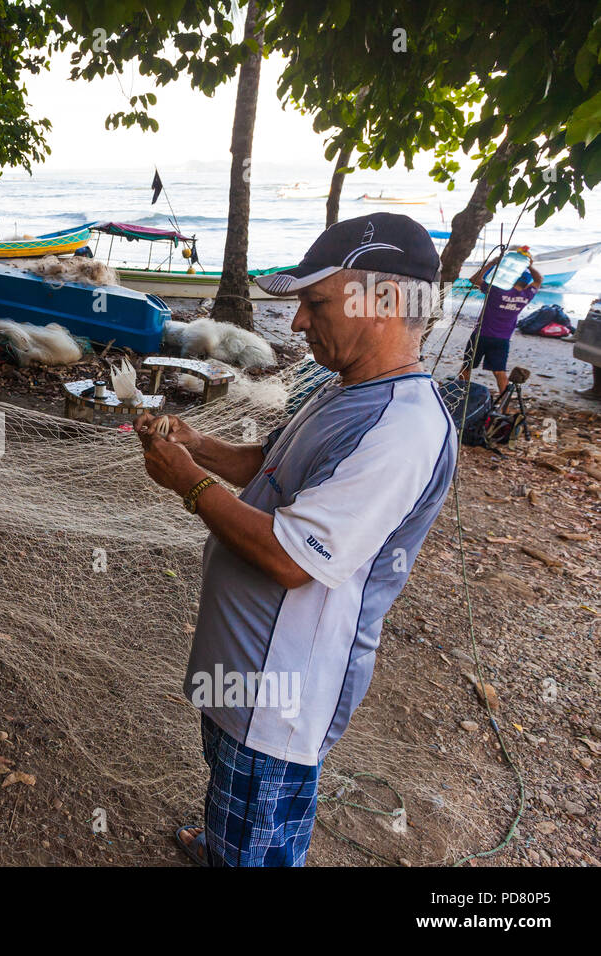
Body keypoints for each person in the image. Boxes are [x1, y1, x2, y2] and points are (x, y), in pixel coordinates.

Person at [135, 212, 457, 866]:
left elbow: (288, 559)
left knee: (257, 829)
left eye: (315, 303)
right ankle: (223, 841)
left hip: (277, 699)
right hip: (244, 682)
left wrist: (188, 483)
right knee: (233, 791)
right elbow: (271, 467)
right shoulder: (349, 389)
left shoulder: (401, 430)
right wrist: (199, 448)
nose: (299, 323)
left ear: (385, 302)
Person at [459, 247, 543, 394]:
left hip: (481, 335)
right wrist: (529, 264)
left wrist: (493, 262)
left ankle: (459, 394)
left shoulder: (496, 291)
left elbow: (474, 280)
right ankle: (504, 405)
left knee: (467, 367)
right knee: (499, 372)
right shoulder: (526, 296)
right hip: (502, 340)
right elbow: (539, 280)